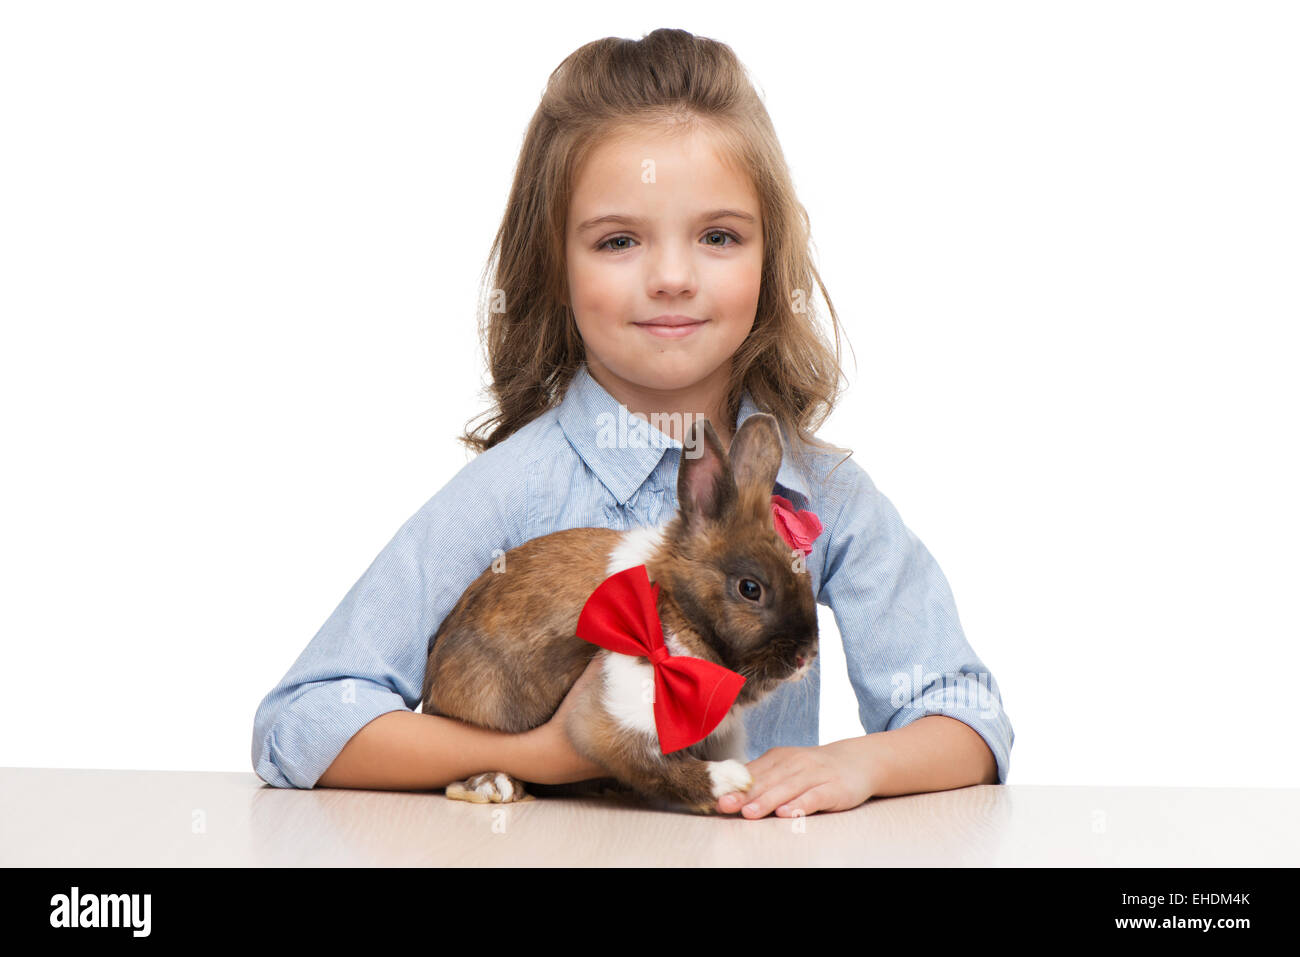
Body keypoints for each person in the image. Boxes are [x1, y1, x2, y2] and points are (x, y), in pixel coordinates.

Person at [250, 28, 1014, 819]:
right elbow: (299, 724)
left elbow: (969, 718)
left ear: (770, 254)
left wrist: (863, 762)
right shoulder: (510, 493)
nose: (673, 278)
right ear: (556, 264)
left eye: (718, 236)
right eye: (619, 240)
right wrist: (536, 755)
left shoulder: (828, 495)